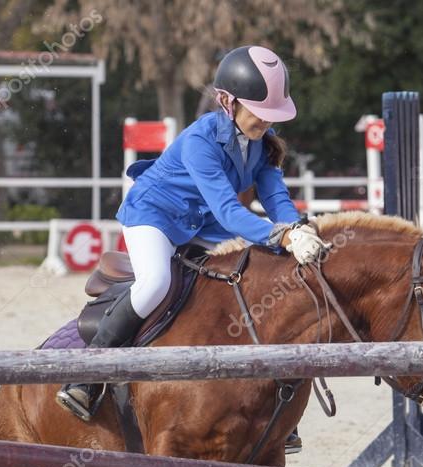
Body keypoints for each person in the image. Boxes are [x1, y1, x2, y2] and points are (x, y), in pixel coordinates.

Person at [57, 45, 329, 429]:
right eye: (260, 113)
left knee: (251, 284)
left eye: (272, 115)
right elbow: (228, 211)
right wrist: (282, 237)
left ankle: (271, 410)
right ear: (226, 101)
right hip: (154, 217)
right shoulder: (200, 139)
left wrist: (298, 229)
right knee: (156, 283)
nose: (267, 122)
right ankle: (87, 375)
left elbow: (276, 199)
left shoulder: (262, 143)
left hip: (203, 229)